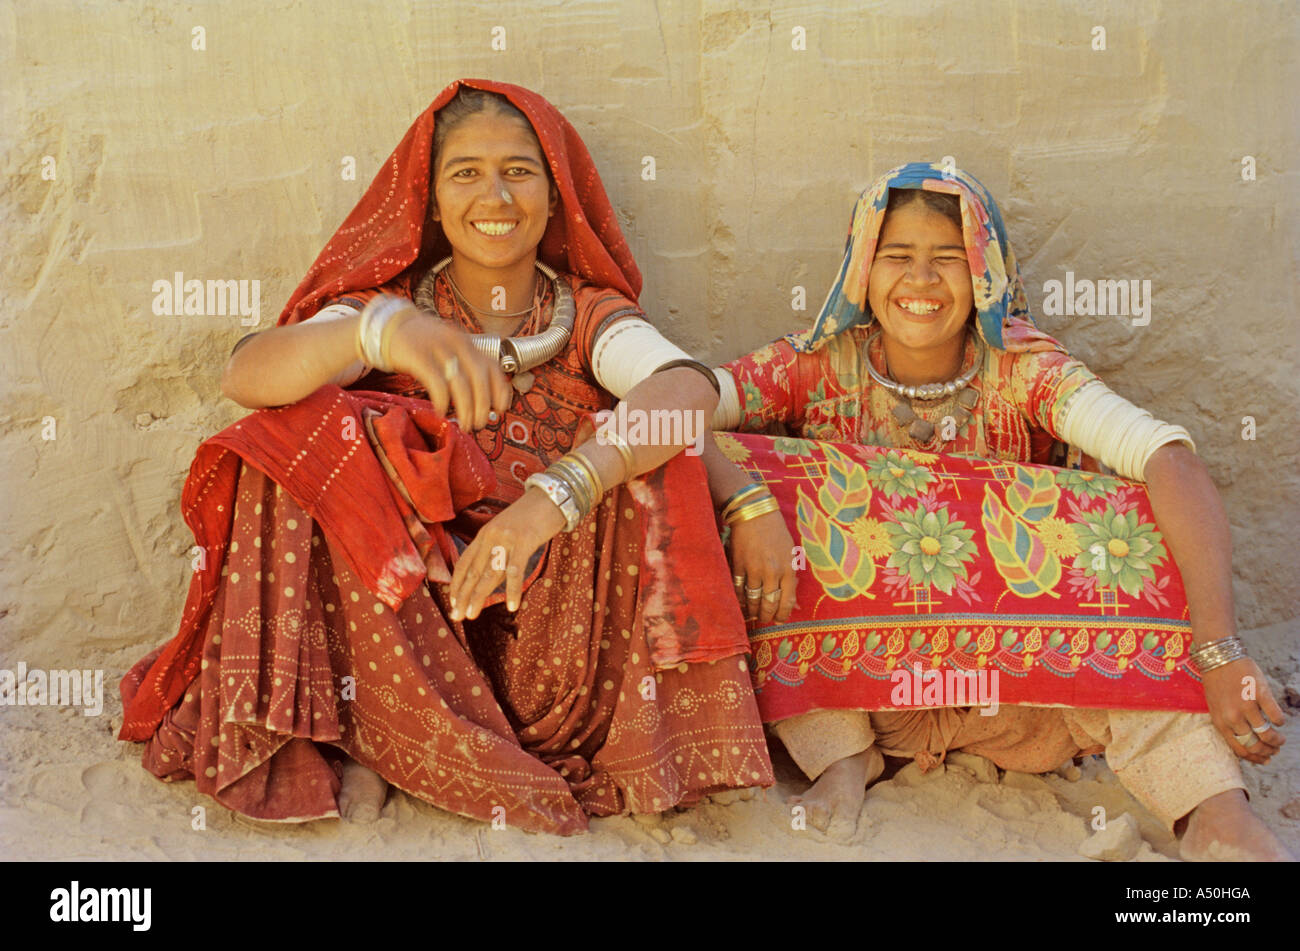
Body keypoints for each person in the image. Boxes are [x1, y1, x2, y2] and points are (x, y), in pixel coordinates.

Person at [119, 79, 773, 835]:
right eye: (465, 173)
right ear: (428, 203)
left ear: (556, 197)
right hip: (397, 634)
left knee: (654, 454)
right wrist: (384, 331)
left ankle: (462, 740)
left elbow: (685, 388)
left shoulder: (587, 314)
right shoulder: (387, 308)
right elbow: (247, 375)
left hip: (551, 640)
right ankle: (375, 733)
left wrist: (552, 498)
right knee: (292, 431)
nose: (494, 195)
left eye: (519, 171)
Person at [701, 162, 1291, 860]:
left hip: (1027, 697)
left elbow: (1169, 458)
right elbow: (678, 410)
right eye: (897, 257)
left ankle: (1212, 809)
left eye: (947, 260)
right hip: (867, 692)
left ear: (985, 272)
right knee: (755, 484)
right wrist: (746, 499)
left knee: (1128, 511)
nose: (920, 282)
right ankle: (842, 756)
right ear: (863, 267)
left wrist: (1220, 649)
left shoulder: (1020, 367)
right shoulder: (817, 364)